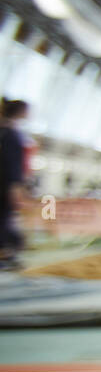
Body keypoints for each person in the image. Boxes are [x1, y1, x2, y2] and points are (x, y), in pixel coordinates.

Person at [0, 99, 29, 267]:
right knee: (4, 216)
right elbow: (11, 164)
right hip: (6, 184)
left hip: (4, 182)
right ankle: (4, 253)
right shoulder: (11, 134)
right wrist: (15, 187)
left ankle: (6, 250)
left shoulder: (5, 132)